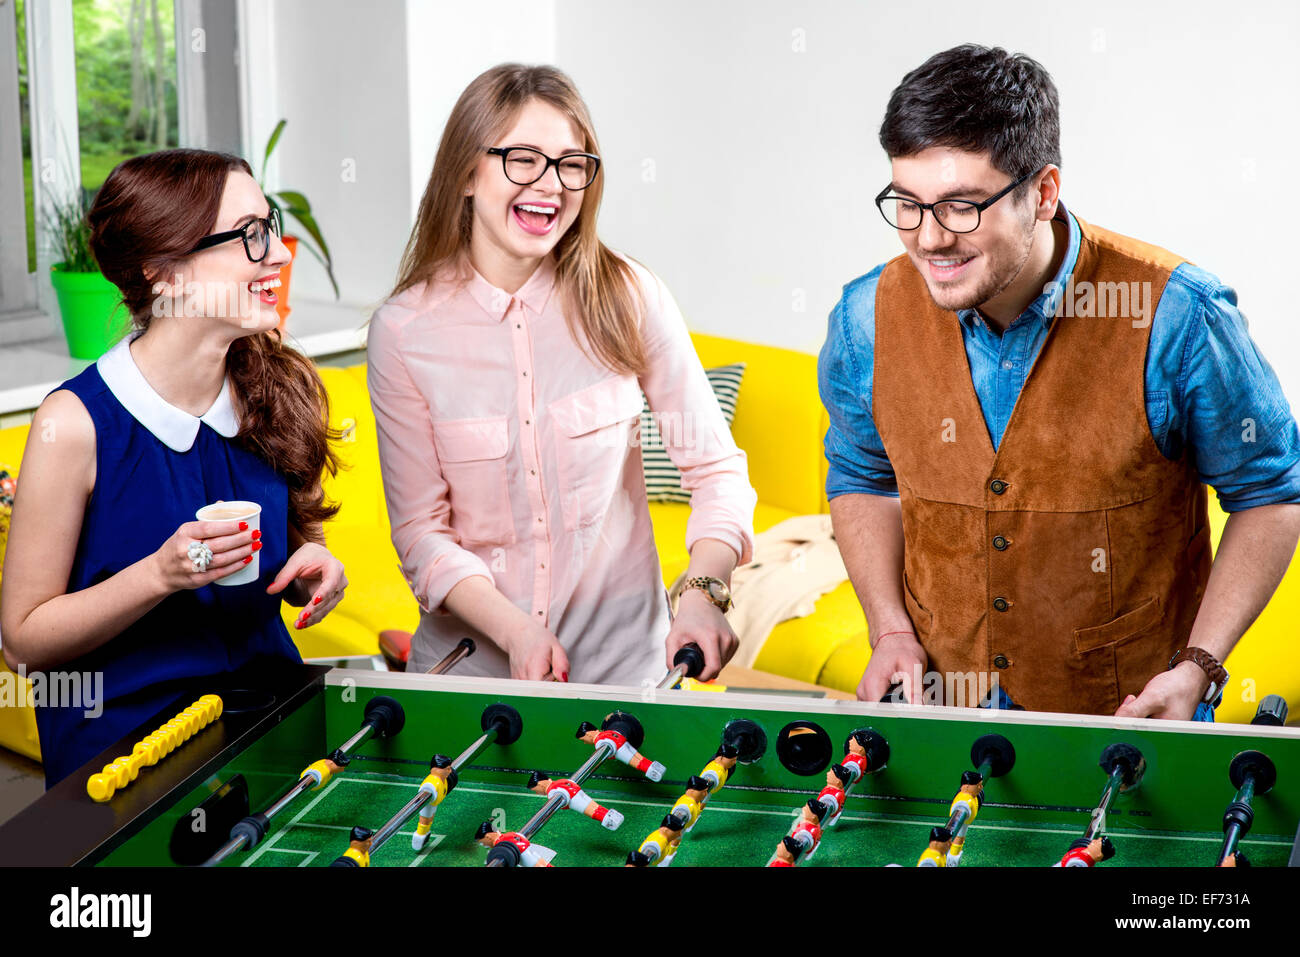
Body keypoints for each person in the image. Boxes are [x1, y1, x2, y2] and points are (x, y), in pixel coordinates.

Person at [819, 45, 1300, 719]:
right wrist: (890, 627)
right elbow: (859, 476)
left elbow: (1272, 493)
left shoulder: (1180, 315)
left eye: (960, 206)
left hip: (1130, 723)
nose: (928, 239)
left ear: (1043, 192)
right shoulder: (860, 321)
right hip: (941, 715)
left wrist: (1199, 664)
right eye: (907, 203)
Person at [368, 64, 755, 684]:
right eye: (524, 158)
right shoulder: (404, 331)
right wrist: (515, 630)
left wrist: (705, 591)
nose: (551, 184)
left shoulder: (631, 296)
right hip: (473, 677)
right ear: (467, 172)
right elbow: (420, 533)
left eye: (572, 163)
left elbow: (714, 470)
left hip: (626, 675)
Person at [0, 149, 347, 786]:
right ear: (165, 271)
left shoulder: (278, 387)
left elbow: (305, 549)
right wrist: (160, 574)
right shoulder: (73, 424)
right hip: (126, 763)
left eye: (268, 226)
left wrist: (314, 569)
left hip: (269, 731)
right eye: (249, 236)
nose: (277, 254)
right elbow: (22, 642)